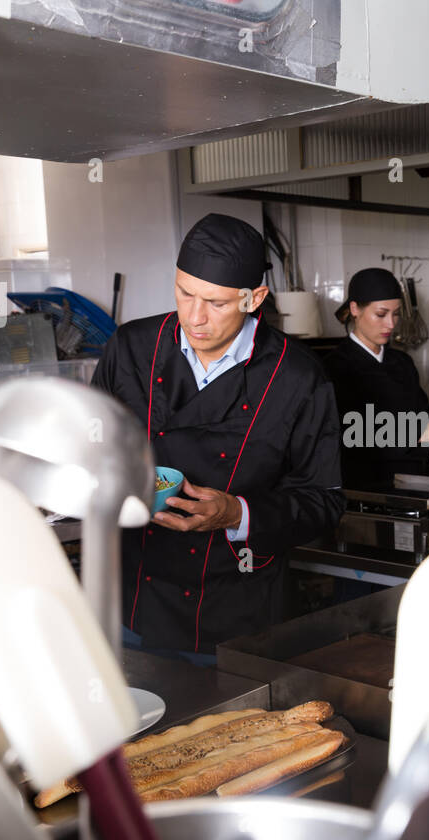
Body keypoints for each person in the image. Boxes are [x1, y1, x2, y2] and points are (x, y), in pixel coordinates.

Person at [91, 213, 345, 663]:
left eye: (216, 302)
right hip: (133, 606)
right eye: (184, 292)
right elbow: (90, 449)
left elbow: (323, 498)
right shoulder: (130, 348)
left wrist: (237, 513)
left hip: (239, 613)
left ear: (255, 298)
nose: (194, 317)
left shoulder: (299, 377)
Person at [322, 267, 429, 487]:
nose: (391, 324)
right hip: (366, 490)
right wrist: (418, 433)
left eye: (396, 314)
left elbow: (424, 418)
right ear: (355, 309)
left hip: (414, 484)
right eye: (381, 314)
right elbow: (347, 436)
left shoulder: (402, 362)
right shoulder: (334, 367)